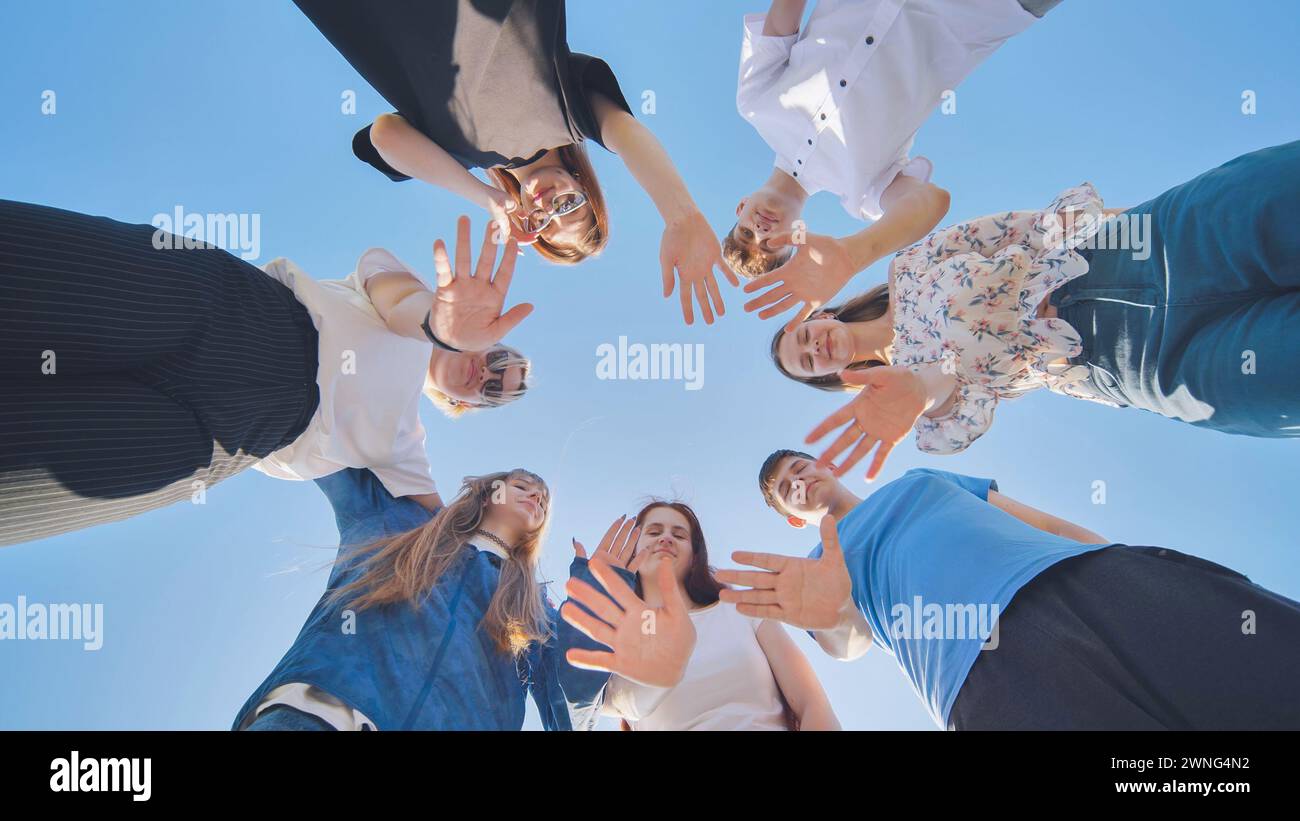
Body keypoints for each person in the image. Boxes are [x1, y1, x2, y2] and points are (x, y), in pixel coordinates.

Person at [0, 203, 529, 545]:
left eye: (493, 390)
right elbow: (399, 302)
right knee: (29, 276)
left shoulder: (405, 447)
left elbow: (448, 534)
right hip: (232, 312)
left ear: (468, 407)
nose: (485, 371)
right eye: (498, 357)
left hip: (215, 440)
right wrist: (439, 326)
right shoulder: (409, 298)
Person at [776, 141, 1300, 479]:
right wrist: (920, 393)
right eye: (807, 363)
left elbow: (1013, 229)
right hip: (1133, 361)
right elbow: (956, 406)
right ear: (829, 378)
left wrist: (1141, 222)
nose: (812, 347)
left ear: (822, 316)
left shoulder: (907, 270)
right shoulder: (909, 381)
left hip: (1134, 250)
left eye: (802, 336)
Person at [719, 449, 1300, 729]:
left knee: (1265, 668)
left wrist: (1115, 557)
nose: (799, 479)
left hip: (1082, 582)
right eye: (785, 489)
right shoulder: (820, 562)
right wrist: (827, 616)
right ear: (793, 517)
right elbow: (848, 641)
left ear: (824, 463)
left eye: (800, 466)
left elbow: (1038, 520)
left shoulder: (922, 478)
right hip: (981, 676)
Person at [293, 0, 735, 325]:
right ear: (586, 186)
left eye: (543, 223)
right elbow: (627, 135)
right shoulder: (571, 112)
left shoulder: (460, 159)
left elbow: (384, 136)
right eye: (568, 208)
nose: (547, 207)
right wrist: (682, 216)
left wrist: (488, 197)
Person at [727, 0, 1062, 327]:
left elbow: (784, 18)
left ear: (741, 206)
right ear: (797, 237)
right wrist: (851, 255)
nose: (760, 231)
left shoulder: (754, 103)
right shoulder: (863, 195)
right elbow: (933, 201)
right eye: (771, 245)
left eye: (745, 232)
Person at [236, 468, 650, 730]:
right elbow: (333, 446)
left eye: (543, 500)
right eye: (523, 485)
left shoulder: (534, 610)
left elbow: (571, 711)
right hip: (321, 714)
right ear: (489, 492)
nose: (536, 497)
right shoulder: (402, 523)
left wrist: (597, 598)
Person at [564, 501, 838, 730]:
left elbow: (814, 705)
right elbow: (578, 709)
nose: (666, 538)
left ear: (695, 556)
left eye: (680, 534)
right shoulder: (620, 640)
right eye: (654, 531)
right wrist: (589, 608)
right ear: (632, 550)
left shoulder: (741, 609)